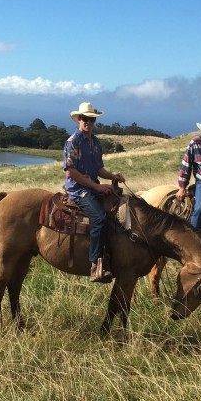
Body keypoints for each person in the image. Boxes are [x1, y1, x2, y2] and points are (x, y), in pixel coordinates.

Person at [63, 101, 126, 283]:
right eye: (85, 119)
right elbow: (70, 172)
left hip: (92, 186)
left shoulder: (96, 142)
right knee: (99, 218)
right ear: (79, 119)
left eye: (92, 120)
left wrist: (112, 176)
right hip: (78, 189)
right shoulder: (73, 142)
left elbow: (98, 169)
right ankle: (95, 264)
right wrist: (97, 187)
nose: (88, 123)